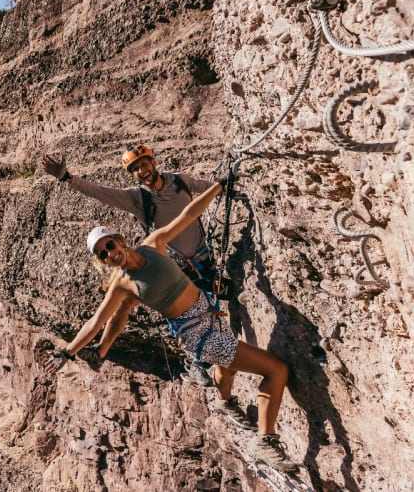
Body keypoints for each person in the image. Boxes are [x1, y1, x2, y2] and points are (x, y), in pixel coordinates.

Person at [46, 182, 297, 473]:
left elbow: (188, 215)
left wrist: (218, 187)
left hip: (209, 314)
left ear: (119, 240)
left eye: (109, 245)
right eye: (103, 254)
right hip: (197, 335)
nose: (110, 254)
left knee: (228, 369)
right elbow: (97, 321)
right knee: (276, 370)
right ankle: (266, 441)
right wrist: (68, 352)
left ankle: (226, 401)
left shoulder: (153, 244)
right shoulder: (122, 286)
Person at [42, 144, 228, 386]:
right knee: (183, 311)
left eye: (144, 164)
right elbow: (100, 192)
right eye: (135, 169)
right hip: (176, 264)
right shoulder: (138, 199)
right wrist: (67, 178)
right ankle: (197, 363)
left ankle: (101, 351)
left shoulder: (180, 181)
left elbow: (200, 201)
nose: (142, 170)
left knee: (134, 301)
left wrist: (223, 185)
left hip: (203, 256)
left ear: (153, 162)